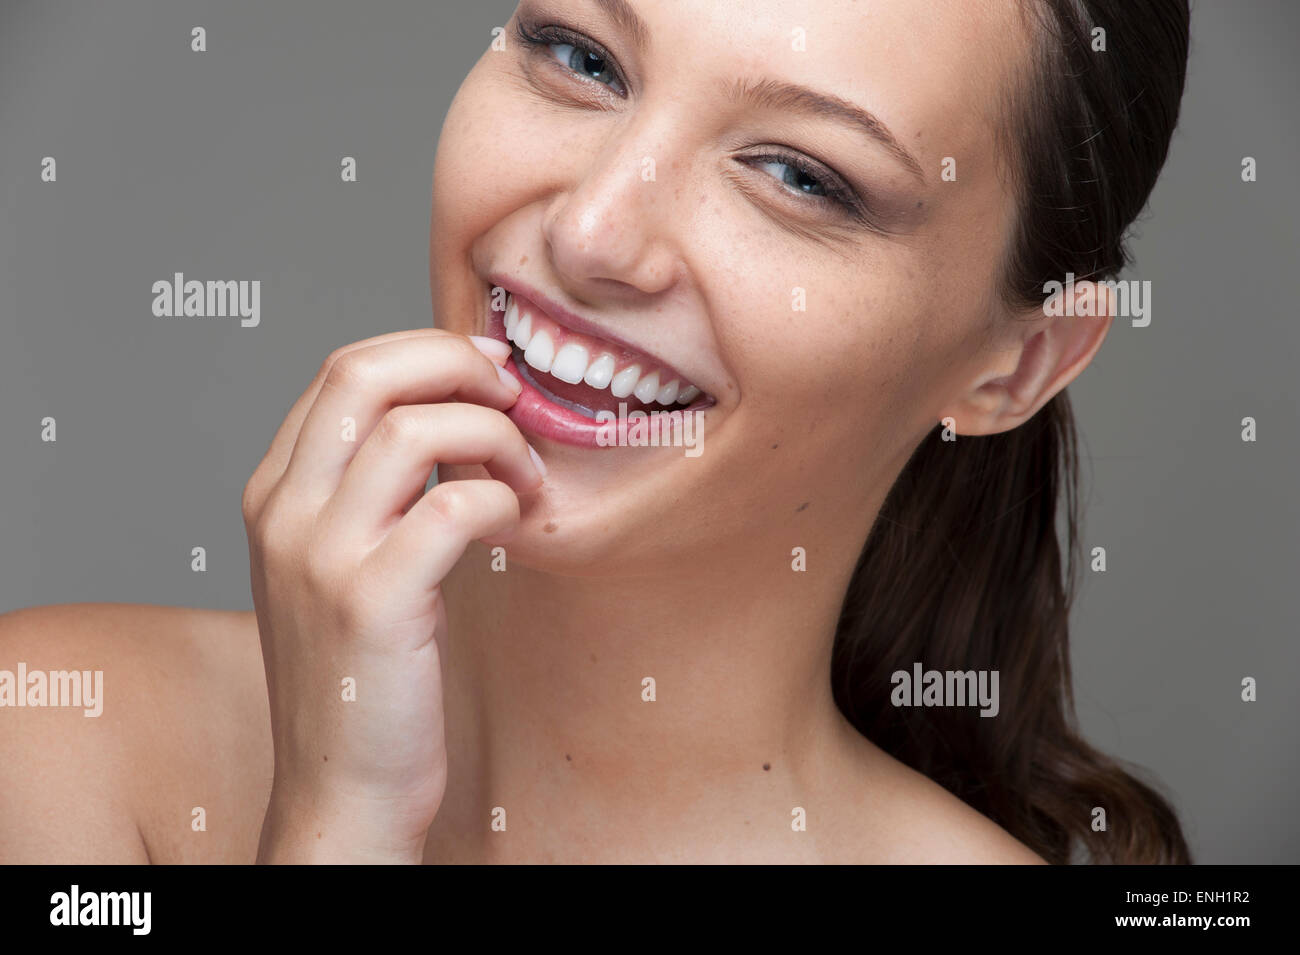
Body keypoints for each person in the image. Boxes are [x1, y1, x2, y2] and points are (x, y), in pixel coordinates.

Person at [0, 0, 1191, 864]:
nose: (590, 234)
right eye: (581, 57)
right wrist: (336, 820)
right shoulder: (48, 744)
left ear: (1015, 364)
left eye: (798, 176)